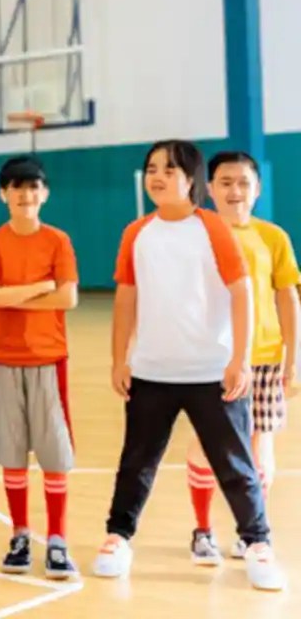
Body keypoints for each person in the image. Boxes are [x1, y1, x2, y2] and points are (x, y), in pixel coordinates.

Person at [92, 139, 285, 592]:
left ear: (192, 180)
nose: (158, 176)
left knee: (235, 465)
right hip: (151, 373)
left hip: (211, 374)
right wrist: (120, 358)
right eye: (152, 168)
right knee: (136, 462)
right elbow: (126, 297)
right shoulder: (136, 233)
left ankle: (257, 543)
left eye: (170, 169)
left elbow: (242, 294)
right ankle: (118, 536)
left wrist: (238, 359)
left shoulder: (213, 228)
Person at [184, 151, 299, 564]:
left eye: (244, 182)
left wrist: (293, 357)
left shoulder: (273, 238)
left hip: (265, 360)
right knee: (205, 446)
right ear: (209, 188)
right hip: (213, 362)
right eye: (226, 182)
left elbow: (288, 297)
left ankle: (253, 534)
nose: (235, 190)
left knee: (259, 451)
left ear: (257, 188)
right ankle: (203, 530)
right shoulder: (194, 236)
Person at [0, 154, 79, 579]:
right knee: (13, 453)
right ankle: (19, 535)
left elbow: (68, 298)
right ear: (4, 194)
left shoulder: (58, 241)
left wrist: (12, 293)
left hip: (48, 358)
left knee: (54, 453)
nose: (25, 194)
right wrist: (40, 286)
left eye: (33, 186)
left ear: (45, 193)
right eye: (16, 187)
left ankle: (57, 539)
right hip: (5, 359)